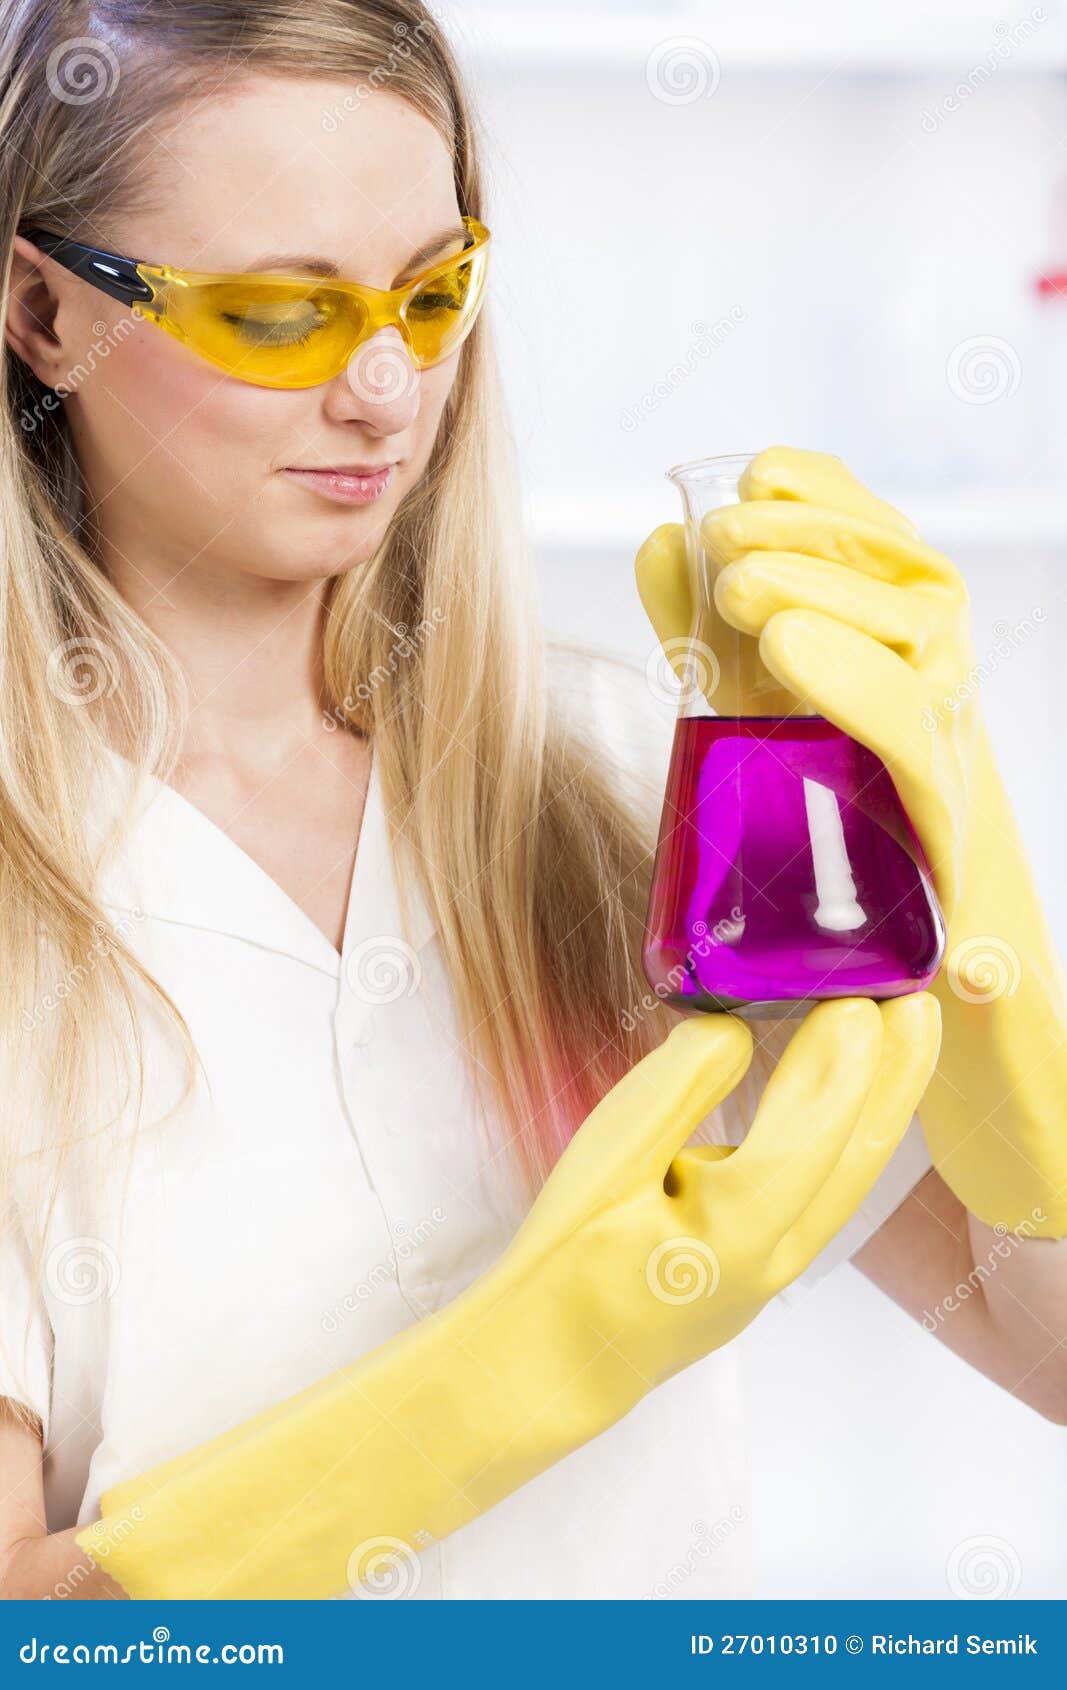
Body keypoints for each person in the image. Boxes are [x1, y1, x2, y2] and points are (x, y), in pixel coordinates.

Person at [0, 0, 1062, 1602]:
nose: (384, 387)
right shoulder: (37, 882)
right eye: (282, 312)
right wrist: (520, 1364)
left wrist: (972, 918)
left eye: (431, 294)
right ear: (43, 312)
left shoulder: (630, 776)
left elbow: (1036, 1335)